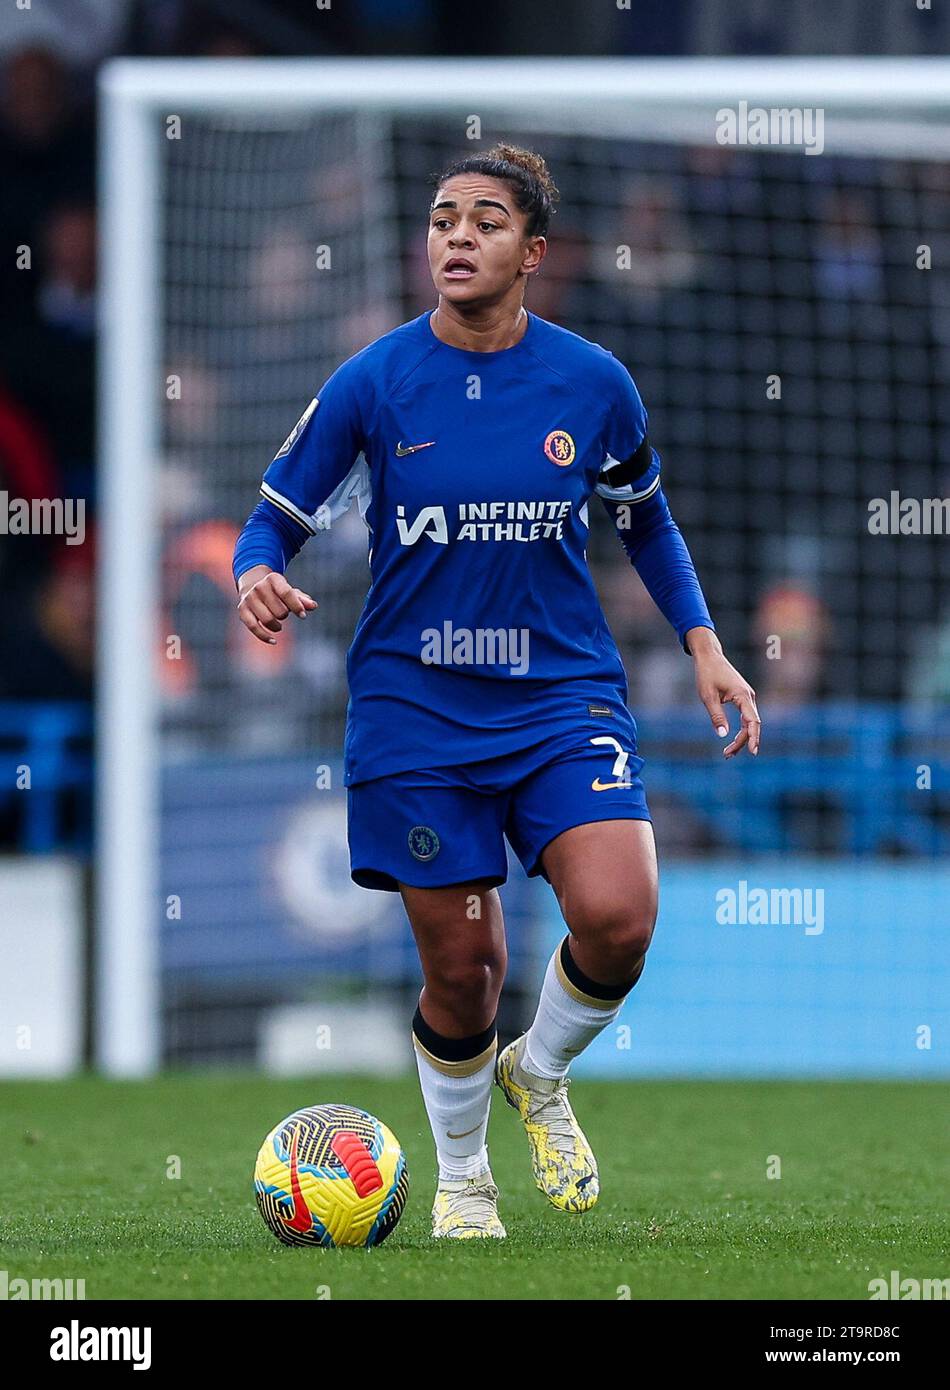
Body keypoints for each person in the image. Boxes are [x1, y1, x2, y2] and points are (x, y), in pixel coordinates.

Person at [232, 144, 761, 1241]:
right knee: (467, 967)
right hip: (416, 707)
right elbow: (275, 514)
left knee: (618, 919)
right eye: (440, 219)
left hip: (559, 691)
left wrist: (703, 643)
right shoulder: (375, 379)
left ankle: (542, 1070)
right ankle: (464, 1179)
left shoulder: (590, 382)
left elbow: (643, 516)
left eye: (482, 220)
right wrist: (254, 574)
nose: (456, 236)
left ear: (534, 251)